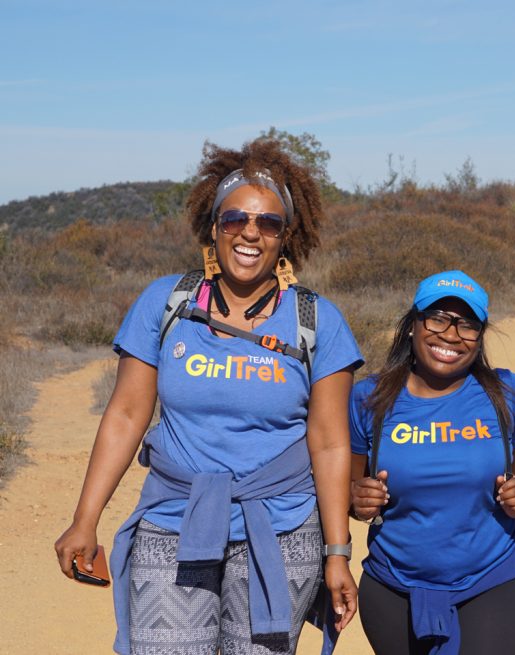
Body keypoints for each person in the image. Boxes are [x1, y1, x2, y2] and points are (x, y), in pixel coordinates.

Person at [54, 138, 364, 655]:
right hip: (174, 518)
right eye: (234, 219)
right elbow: (128, 414)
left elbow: (331, 444)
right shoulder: (167, 302)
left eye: (268, 223)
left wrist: (337, 553)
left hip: (282, 528)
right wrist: (85, 519)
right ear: (213, 227)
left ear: (286, 236)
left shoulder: (316, 321)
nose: (250, 232)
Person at [349, 270, 515, 655]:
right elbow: (345, 487)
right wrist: (357, 498)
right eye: (438, 318)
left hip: (494, 579)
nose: (452, 335)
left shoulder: (508, 394)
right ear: (413, 325)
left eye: (468, 325)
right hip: (395, 589)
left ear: (480, 335)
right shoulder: (367, 399)